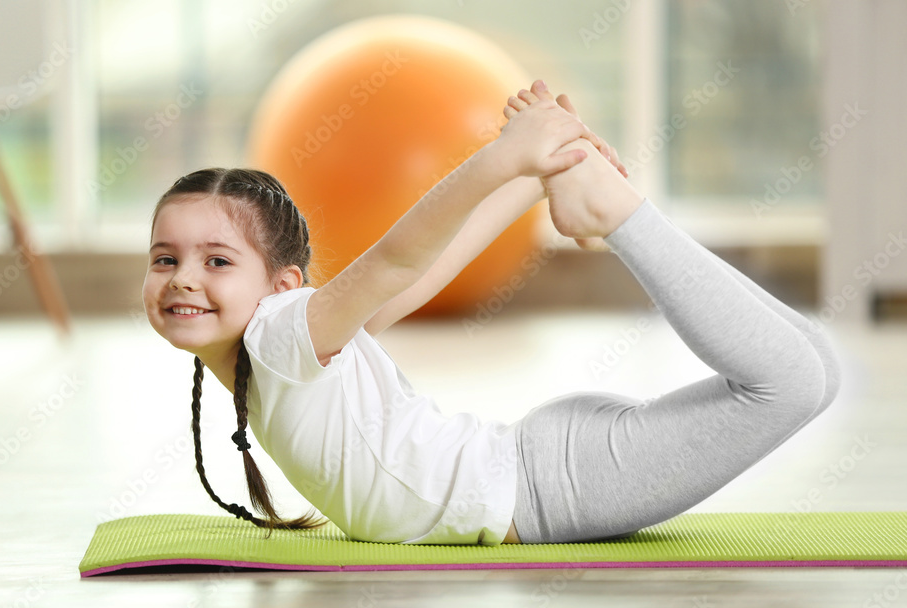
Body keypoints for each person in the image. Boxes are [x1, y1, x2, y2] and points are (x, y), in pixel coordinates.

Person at [142, 80, 840, 546]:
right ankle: (588, 196)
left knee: (797, 382)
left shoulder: (277, 335)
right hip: (544, 468)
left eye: (217, 260)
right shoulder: (292, 353)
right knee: (813, 372)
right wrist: (531, 181)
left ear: (283, 285)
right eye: (165, 258)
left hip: (544, 486)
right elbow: (420, 280)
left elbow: (396, 262)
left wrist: (505, 162)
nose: (184, 280)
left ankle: (616, 212)